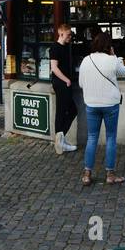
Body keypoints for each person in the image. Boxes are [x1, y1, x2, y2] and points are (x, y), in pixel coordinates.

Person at [77, 31, 125, 187]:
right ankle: (110, 174)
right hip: (110, 104)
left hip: (92, 104)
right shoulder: (111, 60)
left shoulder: (86, 60)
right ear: (109, 46)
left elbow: (80, 83)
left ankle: (87, 174)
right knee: (111, 137)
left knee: (92, 137)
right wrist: (115, 56)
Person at [49, 24, 79, 155]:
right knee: (63, 111)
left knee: (70, 110)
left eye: (70, 34)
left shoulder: (66, 47)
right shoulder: (55, 48)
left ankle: (60, 140)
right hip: (61, 83)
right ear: (61, 34)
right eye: (68, 35)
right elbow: (54, 68)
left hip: (65, 82)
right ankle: (60, 141)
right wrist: (66, 79)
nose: (70, 37)